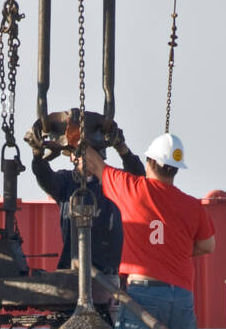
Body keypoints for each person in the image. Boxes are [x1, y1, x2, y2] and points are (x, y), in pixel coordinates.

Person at [80, 132, 215, 329]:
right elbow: (208, 246)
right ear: (176, 169)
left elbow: (94, 163)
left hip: (142, 299)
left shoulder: (132, 189)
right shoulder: (193, 206)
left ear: (150, 162)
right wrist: (176, 249)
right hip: (180, 302)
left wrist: (77, 136)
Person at [24, 118, 143, 276]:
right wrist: (37, 154)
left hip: (108, 276)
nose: (79, 157)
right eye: (76, 152)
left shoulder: (115, 183)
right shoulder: (65, 183)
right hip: (72, 273)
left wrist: (123, 149)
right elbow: (44, 175)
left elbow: (138, 178)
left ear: (98, 155)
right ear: (71, 157)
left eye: (84, 151)